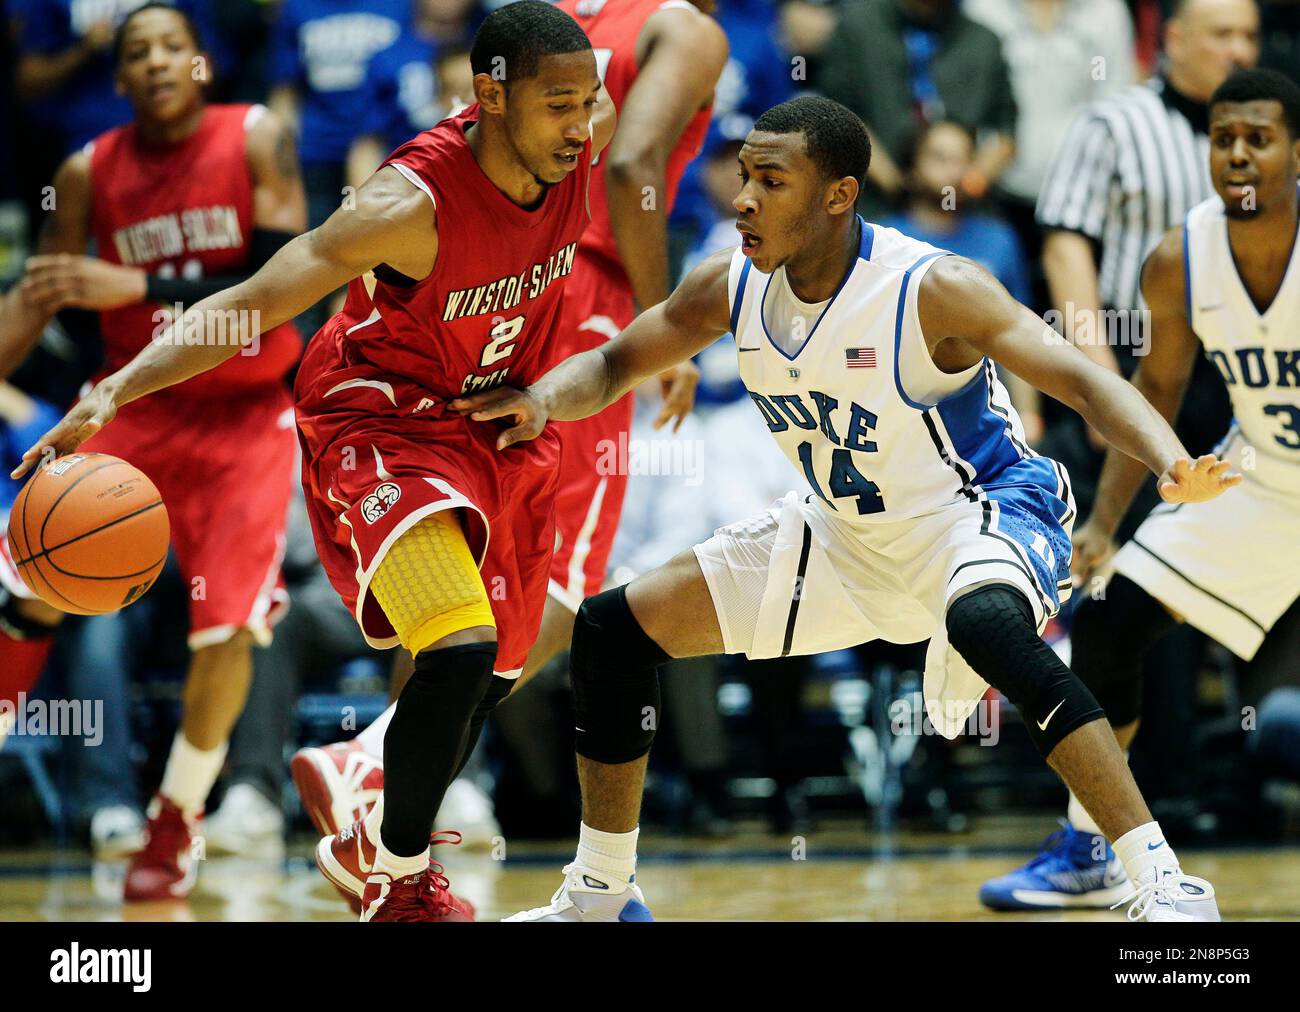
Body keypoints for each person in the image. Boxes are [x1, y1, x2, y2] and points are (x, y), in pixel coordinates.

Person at [453, 95, 1239, 923]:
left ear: (839, 194)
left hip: (979, 512)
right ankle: (601, 897)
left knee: (984, 625)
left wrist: (1171, 459)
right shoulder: (728, 283)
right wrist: (542, 398)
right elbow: (614, 363)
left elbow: (1081, 381)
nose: (744, 199)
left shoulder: (936, 287)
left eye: (772, 180)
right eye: (745, 177)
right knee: (612, 632)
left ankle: (1163, 883)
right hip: (842, 533)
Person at [14, 1, 621, 923]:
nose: (580, 125)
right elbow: (252, 302)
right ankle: (397, 878)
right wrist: (113, 390)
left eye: (588, 102)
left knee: (505, 662)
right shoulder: (404, 206)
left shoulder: (586, 138)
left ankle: (354, 773)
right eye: (558, 104)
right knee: (455, 653)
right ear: (488, 95)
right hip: (379, 427)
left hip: (493, 422)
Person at [287, 0, 727, 865]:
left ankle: (401, 787)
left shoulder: (554, 16)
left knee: (459, 562)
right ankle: (375, 757)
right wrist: (659, 320)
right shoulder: (691, 26)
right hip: (587, 292)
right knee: (562, 573)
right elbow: (633, 163)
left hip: (508, 279)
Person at [0, 3, 304, 901]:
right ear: (119, 78)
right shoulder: (87, 171)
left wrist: (136, 282)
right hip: (135, 402)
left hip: (249, 414)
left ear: (203, 65)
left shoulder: (256, 138)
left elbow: (283, 275)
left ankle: (175, 823)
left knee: (230, 622)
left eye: (175, 47)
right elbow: (41, 294)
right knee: (28, 579)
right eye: (139, 53)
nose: (159, 62)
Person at [980, 67, 1300, 910]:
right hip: (1259, 476)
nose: (1237, 154)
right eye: (1223, 138)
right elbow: (1153, 395)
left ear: (1295, 152)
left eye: (1258, 139)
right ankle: (1090, 847)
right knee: (1113, 622)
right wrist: (1107, 524)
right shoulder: (1180, 256)